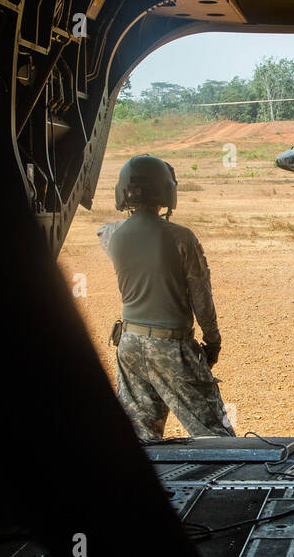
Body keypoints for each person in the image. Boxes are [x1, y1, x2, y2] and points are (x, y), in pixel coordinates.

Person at [97, 154, 235, 439]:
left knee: (140, 436)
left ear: (123, 193)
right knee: (214, 435)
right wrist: (213, 341)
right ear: (167, 193)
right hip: (172, 348)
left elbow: (109, 231)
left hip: (129, 344)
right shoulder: (181, 238)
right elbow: (201, 297)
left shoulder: (111, 234)